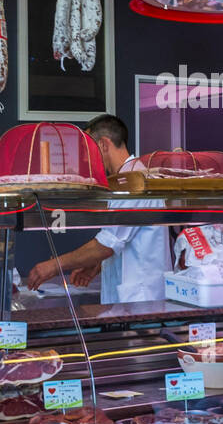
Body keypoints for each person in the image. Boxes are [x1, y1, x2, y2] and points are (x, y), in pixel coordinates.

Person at [25, 115, 171, 303]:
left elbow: (106, 245)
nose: (86, 158)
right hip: (132, 297)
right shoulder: (123, 180)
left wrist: (54, 266)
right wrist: (97, 265)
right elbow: (123, 241)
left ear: (103, 144)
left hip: (142, 299)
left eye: (88, 150)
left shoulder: (134, 182)